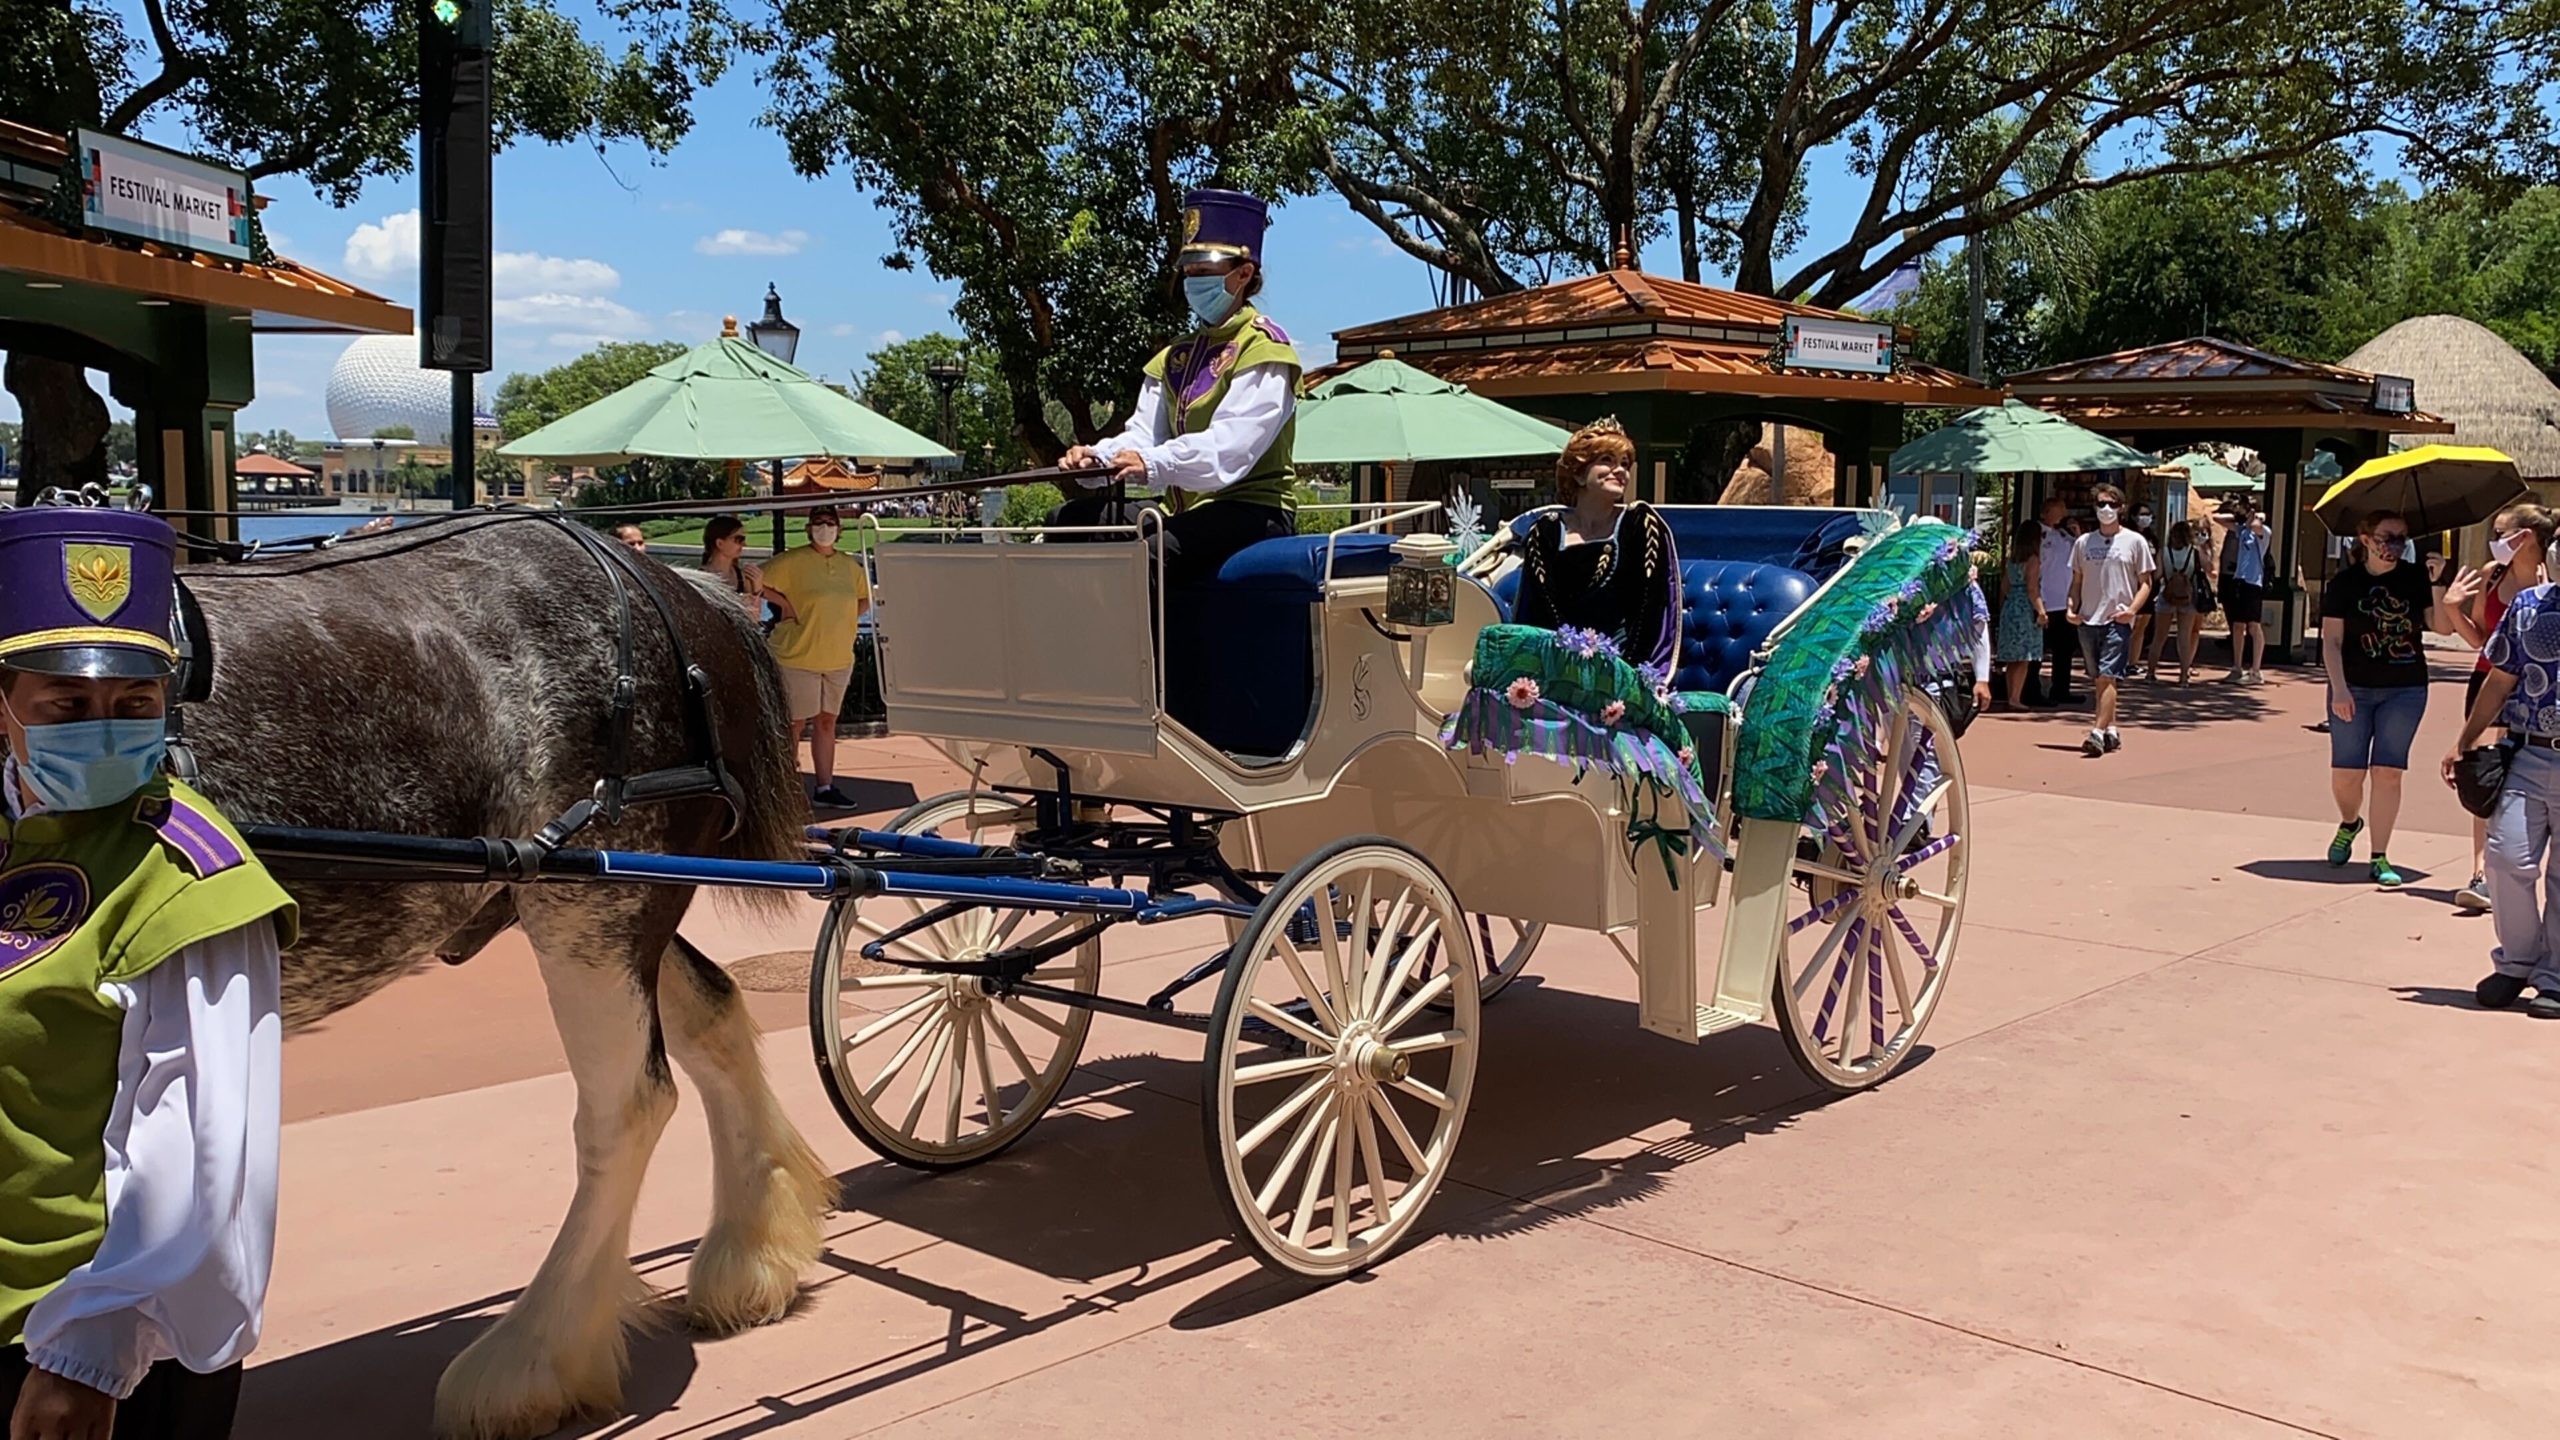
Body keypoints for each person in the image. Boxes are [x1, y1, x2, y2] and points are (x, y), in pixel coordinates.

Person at [0, 505, 297, 1440]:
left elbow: (200, 1160)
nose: (104, 727)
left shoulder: (187, 876)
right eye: (67, 706)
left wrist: (89, 1357)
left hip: (72, 1347)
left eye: (134, 705)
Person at [1054, 188, 1299, 586]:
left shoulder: (1265, 348)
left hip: (1254, 511)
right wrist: (1097, 459)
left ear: (1243, 274)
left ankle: (1142, 650)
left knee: (1149, 551)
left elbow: (1229, 449)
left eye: (1204, 272)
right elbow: (1143, 435)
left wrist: (1153, 464)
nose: (1192, 282)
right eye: (1188, 271)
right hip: (1186, 509)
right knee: (1069, 521)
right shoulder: (1176, 356)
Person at [2445, 570, 2560, 1013]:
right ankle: (2517, 962)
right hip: (2527, 751)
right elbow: (2500, 677)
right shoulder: (2529, 606)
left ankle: (2554, 977)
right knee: (2506, 856)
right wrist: (2466, 739)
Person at [2320, 508, 2454, 888]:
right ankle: (2350, 822)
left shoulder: (2415, 578)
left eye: (2401, 536)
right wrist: (2339, 688)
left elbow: (2441, 626)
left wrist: (2438, 582)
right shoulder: (2345, 583)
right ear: (2366, 540)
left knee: (2388, 772)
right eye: (2387, 536)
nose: (2394, 543)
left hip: (2405, 687)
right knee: (2347, 775)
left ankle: (2379, 856)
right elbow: (2331, 641)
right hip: (2353, 686)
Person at [2442, 504, 2553, 910]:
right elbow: (2481, 640)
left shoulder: (2551, 575)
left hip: (2540, 689)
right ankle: (2480, 873)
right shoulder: (2493, 574)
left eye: (2501, 531)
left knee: (2532, 778)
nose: (2495, 539)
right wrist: (2453, 607)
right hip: (2491, 680)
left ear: (2524, 536)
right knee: (2487, 772)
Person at [1506, 418, 1679, 671]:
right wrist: (1563, 661)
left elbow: (1648, 609)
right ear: (1578, 473)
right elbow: (1539, 609)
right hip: (1555, 661)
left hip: (1623, 664)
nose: (1620, 470)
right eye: (1607, 460)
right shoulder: (1546, 530)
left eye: (1625, 464)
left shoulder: (1640, 524)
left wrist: (1625, 673)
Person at [760, 505, 870, 810]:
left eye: (830, 523)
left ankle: (825, 785)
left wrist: (846, 617)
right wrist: (785, 604)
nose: (825, 528)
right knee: (794, 723)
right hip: (797, 656)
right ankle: (783, 787)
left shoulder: (849, 566)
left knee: (826, 722)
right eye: (819, 523)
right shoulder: (792, 561)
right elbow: (754, 579)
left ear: (838, 529)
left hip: (837, 657)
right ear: (809, 528)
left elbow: (864, 597)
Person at [2065, 483, 2157, 756]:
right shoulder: (2084, 543)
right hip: (2088, 619)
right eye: (2102, 504)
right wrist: (2071, 607)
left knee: (2108, 674)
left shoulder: (2135, 542)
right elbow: (2076, 580)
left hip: (2117, 620)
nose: (2107, 509)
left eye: (2112, 504)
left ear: (2121, 508)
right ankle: (2111, 728)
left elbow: (2146, 582)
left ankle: (2095, 732)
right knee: (2101, 679)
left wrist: (2131, 610)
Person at [2213, 495, 2271, 684]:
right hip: (2238, 580)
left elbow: (2257, 527)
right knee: (2238, 626)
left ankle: (2256, 670)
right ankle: (2237, 667)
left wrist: (2256, 516)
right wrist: (2238, 516)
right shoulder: (2241, 530)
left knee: (2253, 626)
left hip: (2253, 583)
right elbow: (2217, 518)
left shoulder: (2263, 532)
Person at [1995, 516, 2046, 710]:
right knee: (2024, 656)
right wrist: (2041, 611)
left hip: (2011, 605)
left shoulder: (2013, 560)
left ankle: (2011, 695)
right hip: (2025, 606)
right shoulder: (2033, 560)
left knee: (2012, 657)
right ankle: (2016, 697)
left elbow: (2005, 586)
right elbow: (2033, 589)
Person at [2148, 520, 2209, 685]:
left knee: (2159, 636)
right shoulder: (2194, 552)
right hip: (2187, 598)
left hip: (2166, 595)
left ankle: (2151, 672)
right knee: (2184, 637)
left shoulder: (2164, 551)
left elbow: (2157, 575)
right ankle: (2183, 676)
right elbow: (2209, 568)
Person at [2035, 495, 2077, 706]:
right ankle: (2032, 689)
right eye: (2058, 509)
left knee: (2065, 648)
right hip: (2045, 599)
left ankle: (2061, 689)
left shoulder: (2063, 534)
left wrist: (2075, 534)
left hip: (2063, 600)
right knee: (2038, 648)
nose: (2062, 513)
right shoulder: (2038, 533)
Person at [697, 515, 776, 619]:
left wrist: (757, 589)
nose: (744, 544)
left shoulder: (743, 577)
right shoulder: (700, 580)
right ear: (720, 543)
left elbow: (755, 620)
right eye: (739, 539)